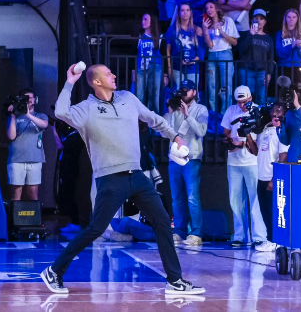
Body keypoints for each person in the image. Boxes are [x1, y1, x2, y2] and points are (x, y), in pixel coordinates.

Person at [41, 63, 204, 295]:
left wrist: (175, 136)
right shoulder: (86, 108)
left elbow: (153, 119)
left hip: (136, 176)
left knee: (162, 222)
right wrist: (70, 82)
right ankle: (54, 271)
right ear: (96, 82)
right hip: (109, 179)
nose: (114, 74)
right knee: (95, 229)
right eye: (108, 73)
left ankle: (175, 281)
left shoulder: (128, 98)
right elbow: (60, 112)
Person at [221, 85, 270, 249]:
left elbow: (260, 139)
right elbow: (226, 133)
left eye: (244, 101)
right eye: (239, 102)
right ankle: (241, 235)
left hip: (252, 162)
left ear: (250, 98)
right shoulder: (231, 111)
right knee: (235, 200)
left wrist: (240, 143)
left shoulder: (258, 112)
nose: (242, 105)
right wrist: (229, 142)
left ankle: (259, 236)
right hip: (234, 162)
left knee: (255, 199)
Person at [163, 79, 208, 246]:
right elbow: (163, 132)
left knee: (192, 197)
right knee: (176, 198)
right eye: (181, 90)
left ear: (194, 92)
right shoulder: (174, 109)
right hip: (174, 158)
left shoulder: (201, 109)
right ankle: (180, 232)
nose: (183, 93)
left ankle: (196, 233)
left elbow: (202, 131)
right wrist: (169, 111)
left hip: (191, 158)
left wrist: (188, 115)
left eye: (187, 90)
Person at [6, 87, 49, 201]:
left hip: (35, 159)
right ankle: (14, 218)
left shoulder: (41, 116)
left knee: (33, 193)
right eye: (27, 98)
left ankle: (33, 218)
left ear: (35, 100)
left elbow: (44, 125)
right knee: (16, 192)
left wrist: (28, 114)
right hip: (16, 159)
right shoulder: (16, 117)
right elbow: (11, 136)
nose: (30, 100)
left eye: (31, 97)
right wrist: (13, 115)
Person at [255, 103, 287, 245]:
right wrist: (248, 136)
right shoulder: (265, 129)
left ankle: (275, 241)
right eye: (273, 111)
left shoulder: (282, 132)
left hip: (271, 178)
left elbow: (283, 156)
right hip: (261, 177)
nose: (275, 114)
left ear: (284, 115)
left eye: (279, 111)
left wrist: (274, 179)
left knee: (273, 212)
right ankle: (270, 239)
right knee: (264, 212)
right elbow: (256, 152)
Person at [202, 0, 239, 113]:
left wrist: (221, 31)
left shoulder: (228, 21)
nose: (209, 10)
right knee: (211, 85)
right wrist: (205, 31)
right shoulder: (206, 23)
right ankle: (213, 113)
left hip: (225, 53)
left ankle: (225, 113)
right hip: (212, 54)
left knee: (226, 86)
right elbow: (210, 45)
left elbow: (234, 42)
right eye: (207, 8)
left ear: (217, 8)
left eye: (211, 7)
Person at [237, 10, 273, 106]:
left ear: (265, 22)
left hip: (261, 71)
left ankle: (260, 120)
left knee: (261, 98)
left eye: (261, 19)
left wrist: (269, 74)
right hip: (246, 70)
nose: (259, 21)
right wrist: (250, 35)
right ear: (252, 20)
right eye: (256, 18)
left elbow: (270, 57)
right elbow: (242, 50)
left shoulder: (268, 38)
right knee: (248, 98)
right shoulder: (246, 34)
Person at [166, 3, 204, 89]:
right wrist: (169, 67)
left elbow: (201, 52)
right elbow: (168, 50)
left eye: (187, 10)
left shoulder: (196, 29)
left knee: (192, 94)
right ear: (178, 13)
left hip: (192, 68)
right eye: (182, 10)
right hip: (177, 67)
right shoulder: (172, 29)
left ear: (191, 12)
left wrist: (193, 61)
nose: (185, 12)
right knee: (179, 93)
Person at [134, 13, 163, 112]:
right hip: (140, 67)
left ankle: (153, 121)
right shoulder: (139, 36)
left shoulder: (160, 36)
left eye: (145, 19)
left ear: (152, 21)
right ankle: (140, 121)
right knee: (139, 94)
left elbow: (163, 54)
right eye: (142, 19)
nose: (143, 21)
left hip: (156, 67)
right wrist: (133, 70)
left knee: (154, 95)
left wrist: (166, 73)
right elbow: (134, 52)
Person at [276, 9, 301, 81]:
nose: (291, 19)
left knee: (299, 91)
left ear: (297, 19)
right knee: (284, 91)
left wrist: (300, 46)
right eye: (289, 17)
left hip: (300, 67)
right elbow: (279, 53)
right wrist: (291, 46)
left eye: (294, 17)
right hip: (284, 66)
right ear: (285, 18)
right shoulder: (280, 34)